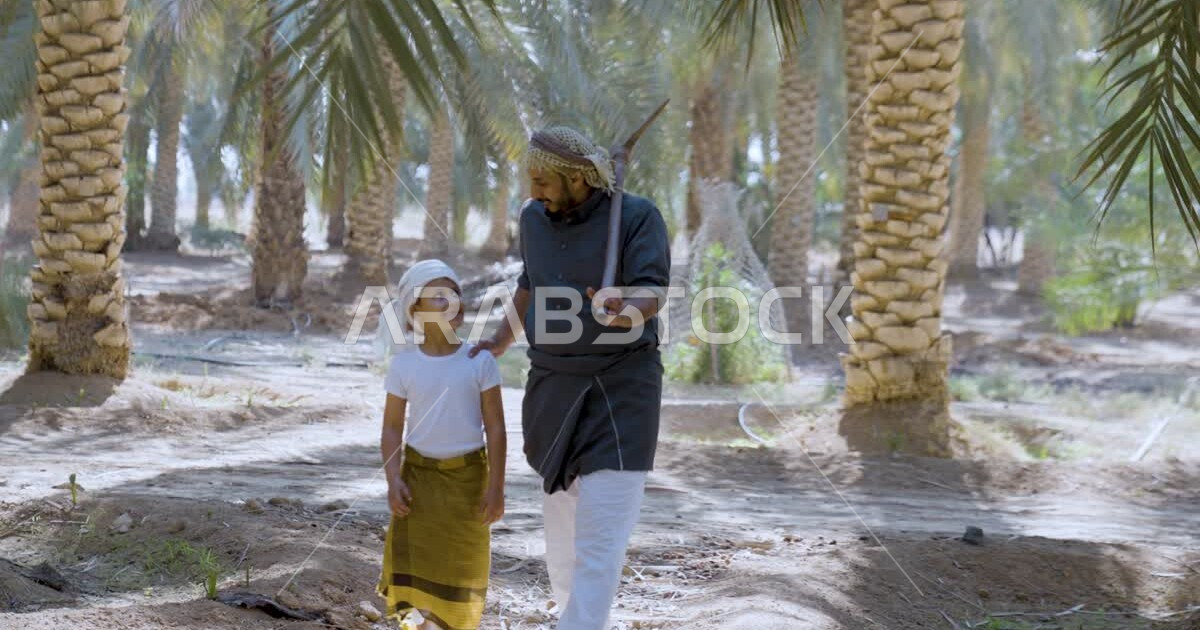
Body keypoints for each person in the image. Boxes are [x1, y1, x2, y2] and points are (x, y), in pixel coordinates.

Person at [470, 126, 671, 629]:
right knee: (561, 546)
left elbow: (653, 291)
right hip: (552, 388)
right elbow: (528, 285)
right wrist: (499, 341)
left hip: (622, 390)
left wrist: (624, 310)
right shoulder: (532, 219)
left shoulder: (638, 216)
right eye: (531, 180)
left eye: (543, 181)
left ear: (579, 178)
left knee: (601, 540)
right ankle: (578, 619)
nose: (534, 191)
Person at [377, 259, 507, 630]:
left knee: (464, 562)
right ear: (414, 310)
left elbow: (496, 429)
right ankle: (419, 624)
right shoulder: (404, 366)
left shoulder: (479, 360)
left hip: (468, 483)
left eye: (453, 293)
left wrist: (495, 487)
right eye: (437, 296)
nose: (449, 300)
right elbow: (391, 428)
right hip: (417, 481)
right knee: (416, 564)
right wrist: (392, 479)